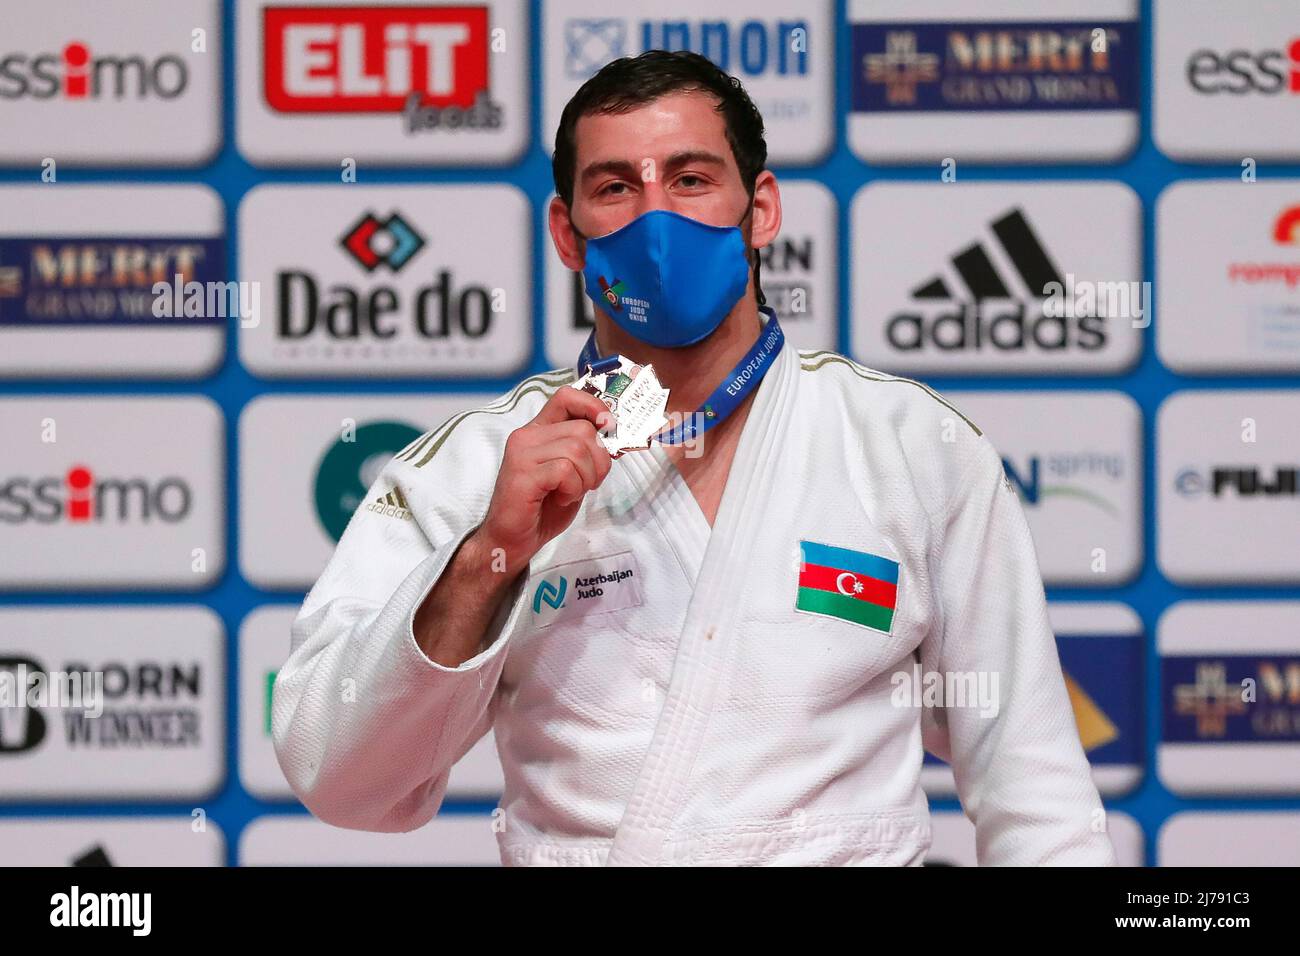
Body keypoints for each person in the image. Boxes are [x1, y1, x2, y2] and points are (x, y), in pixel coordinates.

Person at [272, 50, 1116, 867]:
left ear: (762, 208)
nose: (656, 219)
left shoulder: (911, 447)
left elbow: (1033, 788)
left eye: (690, 178)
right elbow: (341, 781)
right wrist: (490, 559)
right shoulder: (480, 469)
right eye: (614, 187)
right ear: (568, 233)